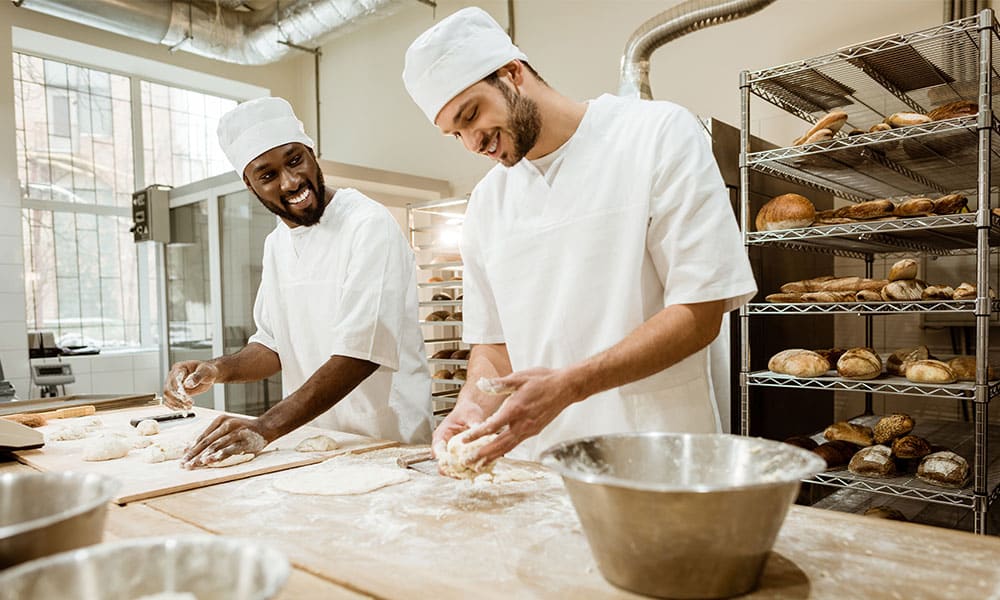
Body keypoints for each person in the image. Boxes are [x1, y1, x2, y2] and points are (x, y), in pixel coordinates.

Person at [402, 8, 757, 465]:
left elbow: (700, 310)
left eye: (471, 115)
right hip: (537, 466)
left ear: (512, 73)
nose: (473, 143)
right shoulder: (488, 203)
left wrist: (570, 386)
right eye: (456, 134)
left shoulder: (656, 134)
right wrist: (473, 403)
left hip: (656, 452)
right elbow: (494, 345)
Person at [162, 97, 432, 468]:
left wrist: (265, 427)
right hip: (313, 442)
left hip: (385, 442)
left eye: (294, 160)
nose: (290, 182)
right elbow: (272, 346)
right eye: (268, 175)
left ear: (311, 152)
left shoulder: (367, 224)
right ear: (250, 185)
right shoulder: (276, 244)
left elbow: (362, 353)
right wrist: (217, 368)